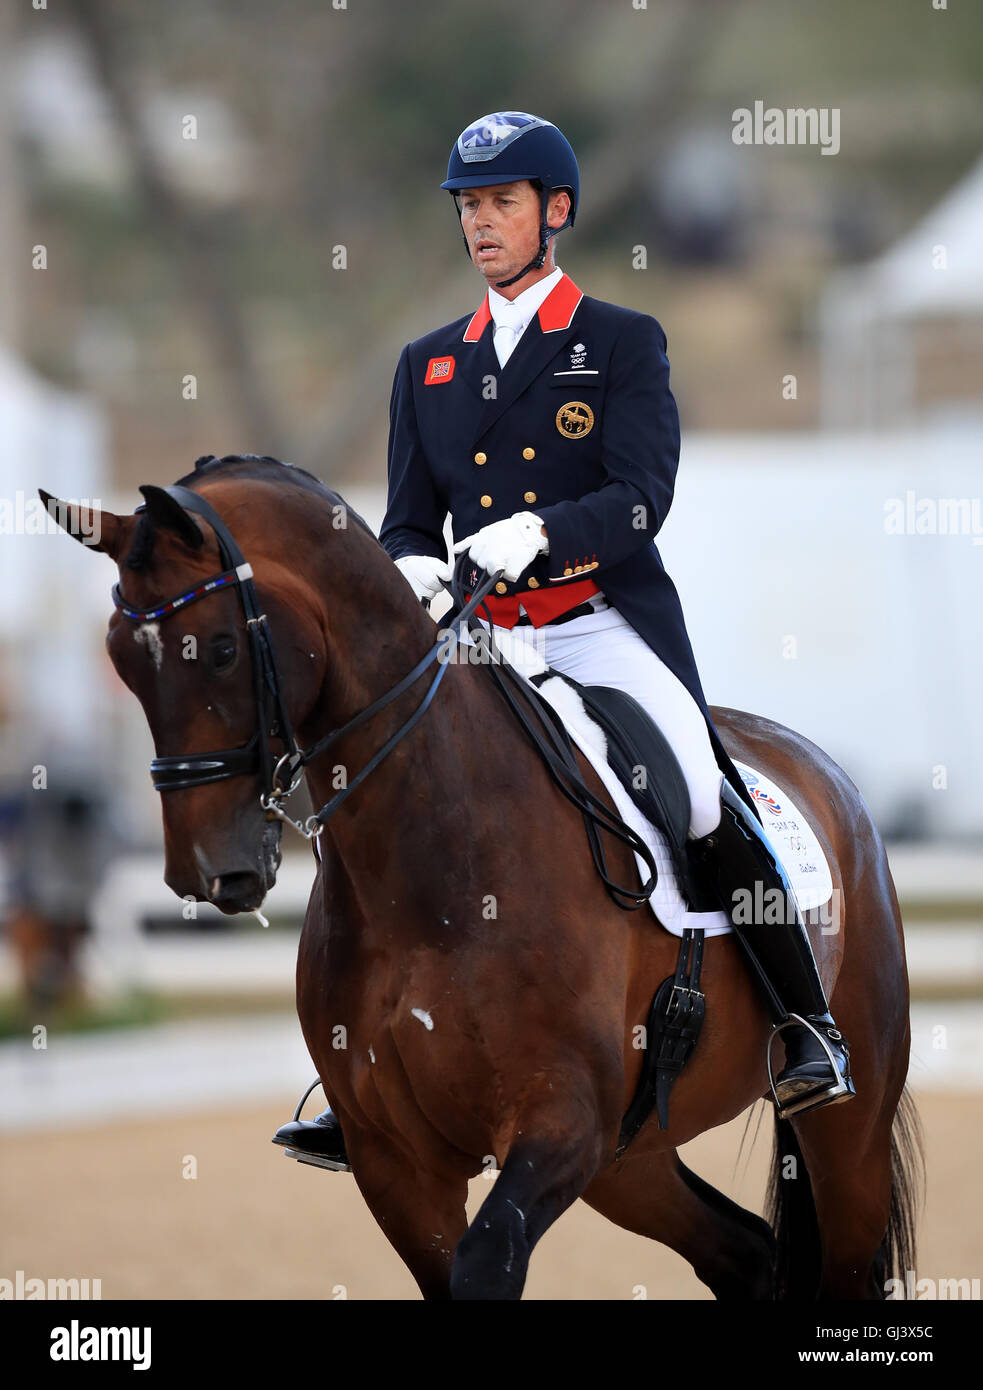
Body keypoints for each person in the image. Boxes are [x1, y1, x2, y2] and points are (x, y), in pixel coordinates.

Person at [274, 111, 853, 1169]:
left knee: (693, 790)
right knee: (379, 796)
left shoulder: (621, 342)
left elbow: (641, 496)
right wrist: (410, 566)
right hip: (477, 640)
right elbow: (408, 520)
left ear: (556, 212)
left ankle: (801, 1023)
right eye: (468, 206)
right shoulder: (426, 364)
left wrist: (541, 532)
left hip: (595, 625)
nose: (480, 223)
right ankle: (360, 1065)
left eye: (501, 202)